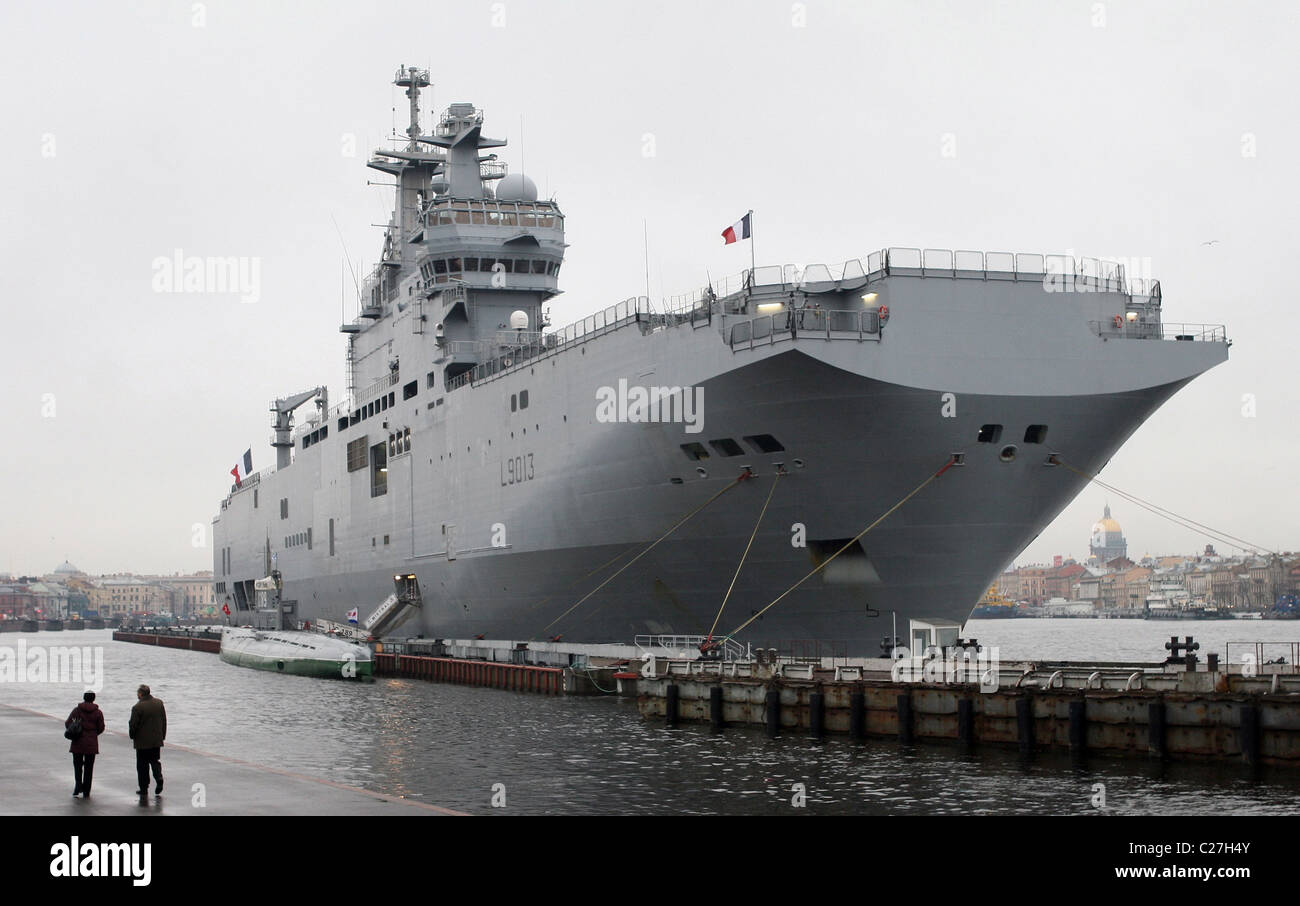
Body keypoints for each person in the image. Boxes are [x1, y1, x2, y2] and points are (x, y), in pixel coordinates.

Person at [128, 683, 167, 797]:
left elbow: (133, 725)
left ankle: (144, 788)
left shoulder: (137, 707)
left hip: (142, 742)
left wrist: (132, 735)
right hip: (156, 740)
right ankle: (159, 777)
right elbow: (164, 721)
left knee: (142, 765)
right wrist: (162, 736)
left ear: (140, 694)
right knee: (154, 761)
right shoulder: (159, 703)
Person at [66, 691, 105, 798]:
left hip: (77, 742)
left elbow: (68, 723)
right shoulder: (98, 712)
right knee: (89, 767)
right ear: (93, 699)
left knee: (77, 766)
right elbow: (101, 728)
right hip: (91, 743)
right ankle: (87, 790)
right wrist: (93, 733)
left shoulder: (77, 710)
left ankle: (78, 786)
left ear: (84, 698)